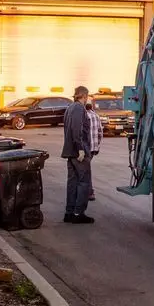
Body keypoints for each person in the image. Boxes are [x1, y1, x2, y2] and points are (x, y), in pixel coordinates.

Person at [61, 86, 94, 224]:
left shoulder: (70, 108)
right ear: (84, 96)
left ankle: (69, 212)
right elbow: (77, 129)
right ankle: (78, 213)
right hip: (78, 153)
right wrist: (80, 148)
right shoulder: (79, 108)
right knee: (83, 182)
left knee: (73, 182)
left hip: (70, 152)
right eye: (87, 96)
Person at [85, 100, 103, 201]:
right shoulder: (96, 116)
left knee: (85, 171)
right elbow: (100, 132)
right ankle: (88, 192)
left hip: (84, 148)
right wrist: (97, 146)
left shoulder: (83, 116)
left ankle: (89, 192)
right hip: (93, 148)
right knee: (86, 169)